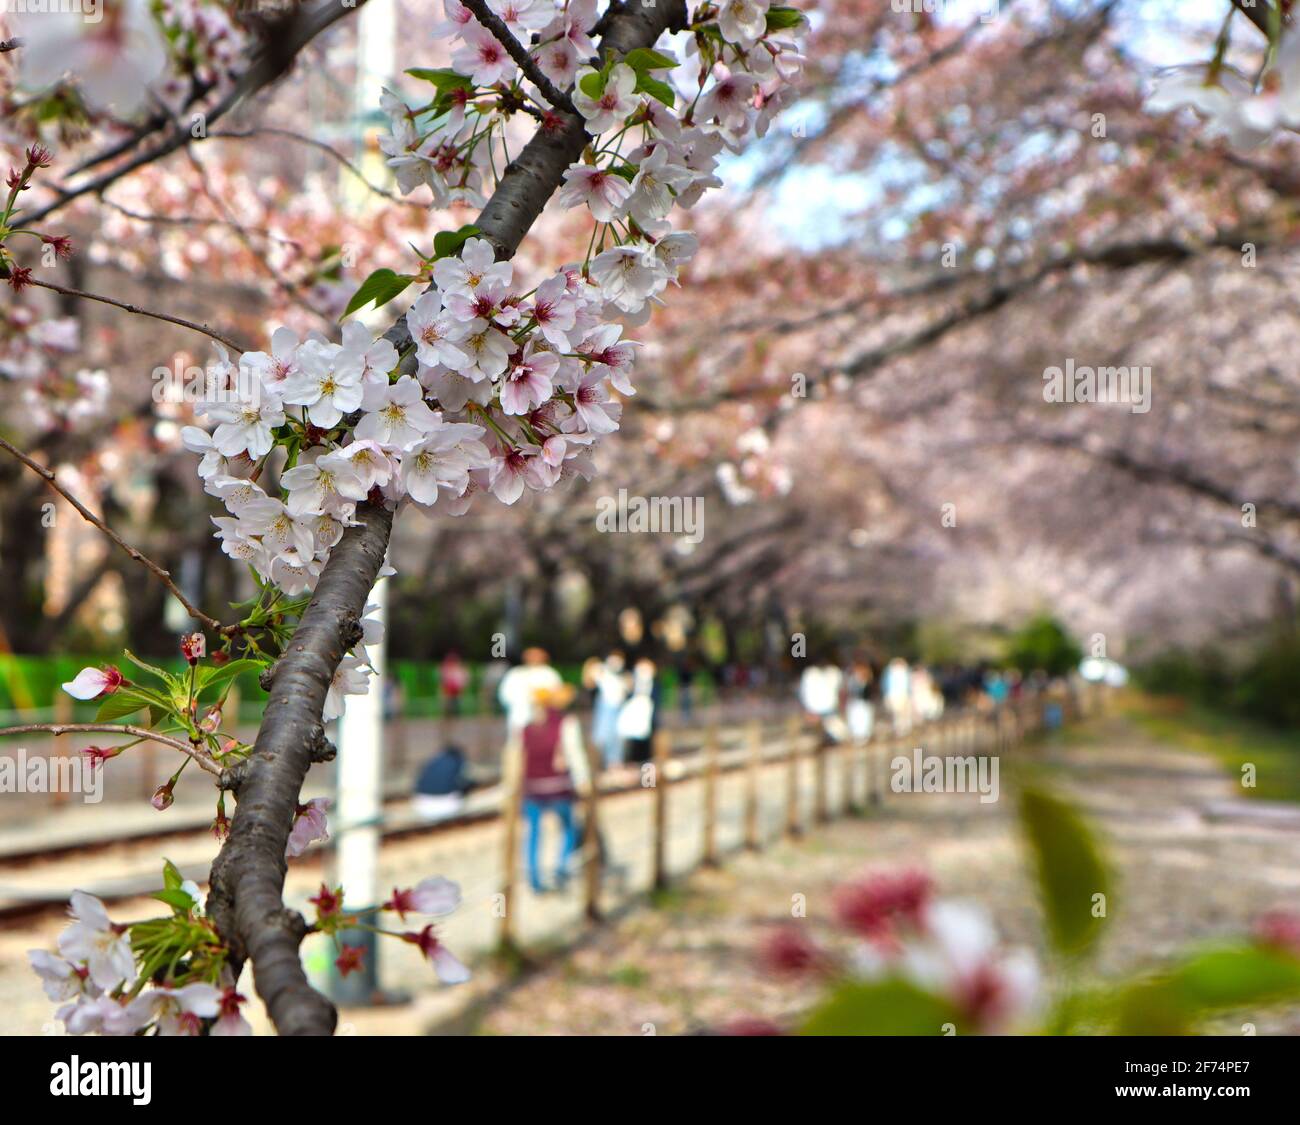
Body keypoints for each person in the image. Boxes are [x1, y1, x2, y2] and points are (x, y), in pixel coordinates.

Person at [505, 683, 590, 894]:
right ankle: (561, 869)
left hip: (532, 788)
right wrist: (583, 781)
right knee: (569, 827)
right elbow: (575, 755)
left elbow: (515, 758)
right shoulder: (566, 723)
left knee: (533, 833)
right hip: (558, 787)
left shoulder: (524, 728)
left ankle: (534, 879)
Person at [497, 647, 562, 734]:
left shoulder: (550, 673)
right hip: (520, 712)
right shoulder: (516, 673)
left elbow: (559, 694)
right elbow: (505, 694)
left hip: (545, 713)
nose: (534, 658)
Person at [592, 651, 630, 768]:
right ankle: (605, 762)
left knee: (618, 738)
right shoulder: (603, 672)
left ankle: (615, 762)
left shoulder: (622, 676)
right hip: (607, 709)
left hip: (619, 708)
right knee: (604, 737)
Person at [413, 743, 469, 821]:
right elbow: (464, 781)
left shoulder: (431, 761)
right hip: (447, 808)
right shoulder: (458, 761)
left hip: (420, 805)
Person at [619, 656, 659, 764]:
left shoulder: (655, 684)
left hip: (648, 719)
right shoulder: (633, 682)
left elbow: (656, 701)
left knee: (647, 749)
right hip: (634, 720)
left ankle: (647, 774)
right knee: (633, 746)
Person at [439, 651, 469, 716]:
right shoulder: (446, 669)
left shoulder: (459, 669)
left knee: (456, 704)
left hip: (456, 690)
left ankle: (455, 715)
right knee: (448, 704)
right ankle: (449, 715)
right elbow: (443, 680)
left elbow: (464, 679)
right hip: (448, 690)